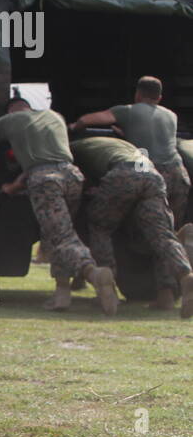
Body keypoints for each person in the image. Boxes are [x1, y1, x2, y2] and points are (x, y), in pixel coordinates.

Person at [0, 98, 117, 313]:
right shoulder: (54, 116)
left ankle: (93, 273)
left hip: (45, 180)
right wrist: (15, 184)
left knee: (61, 236)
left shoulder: (10, 120)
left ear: (10, 111)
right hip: (72, 176)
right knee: (56, 235)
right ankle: (62, 295)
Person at [69, 135, 193, 317]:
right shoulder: (121, 144)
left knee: (100, 228)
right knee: (163, 235)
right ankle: (183, 277)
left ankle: (107, 286)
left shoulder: (74, 147)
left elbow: (76, 178)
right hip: (152, 175)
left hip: (123, 173)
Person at [71, 77, 188, 227]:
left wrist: (73, 127)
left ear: (137, 94)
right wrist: (128, 133)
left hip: (152, 173)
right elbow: (155, 137)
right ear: (159, 98)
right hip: (178, 174)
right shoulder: (172, 115)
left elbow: (87, 120)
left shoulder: (128, 111)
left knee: (148, 228)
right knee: (171, 230)